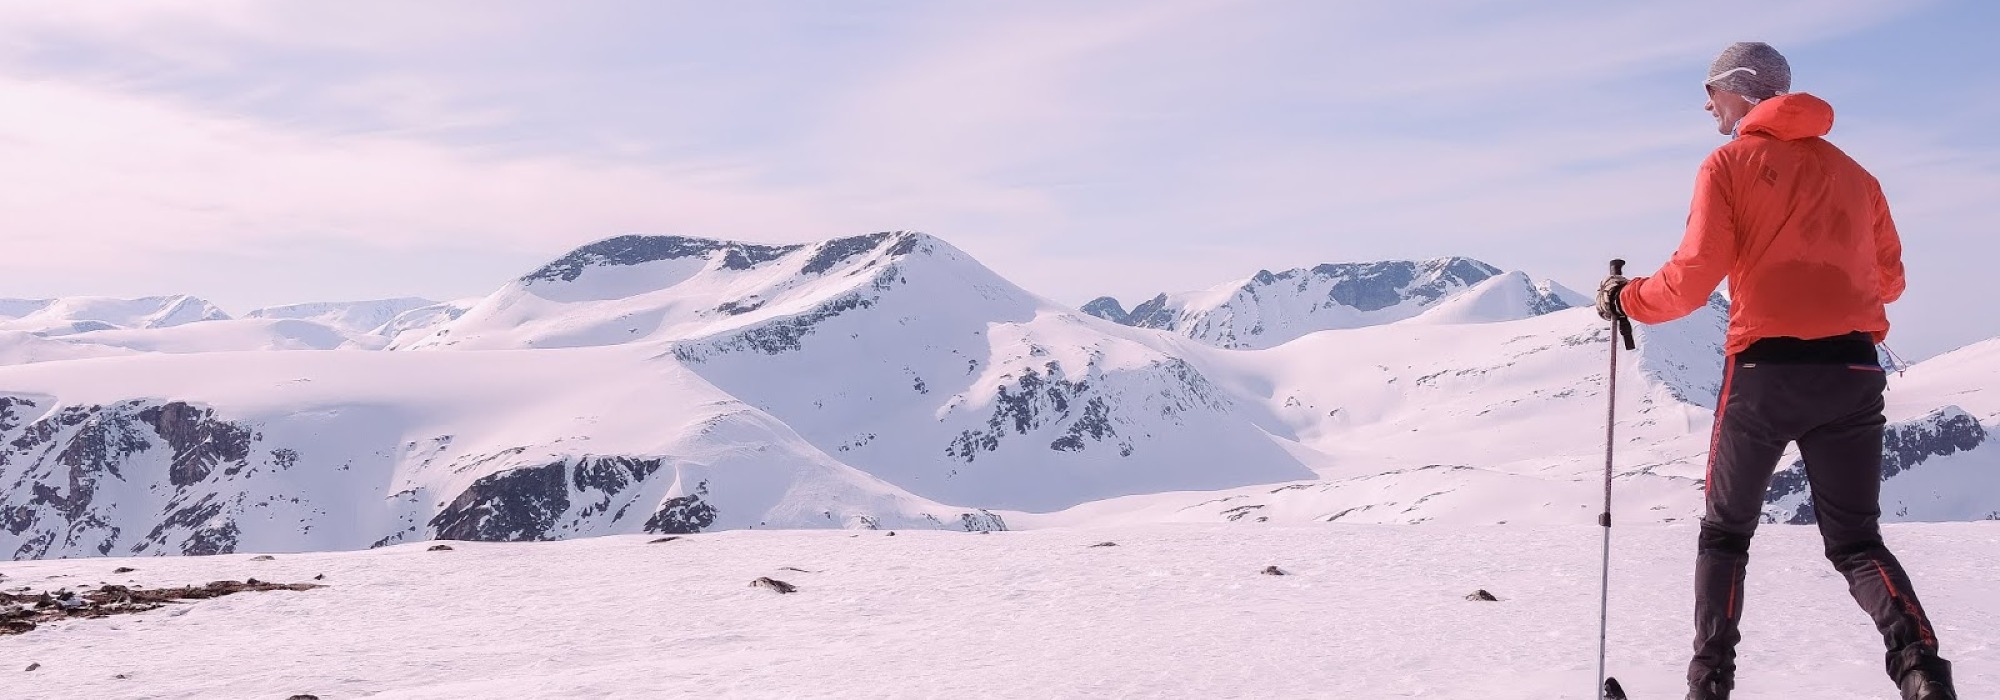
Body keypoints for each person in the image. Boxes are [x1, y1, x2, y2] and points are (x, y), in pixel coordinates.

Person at [1594, 42, 1956, 700]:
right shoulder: (1857, 177)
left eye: (1711, 90)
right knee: (1854, 541)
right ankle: (1923, 671)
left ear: (1741, 90)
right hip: (1850, 369)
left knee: (1726, 534)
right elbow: (1892, 282)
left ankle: (1708, 688)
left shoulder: (1727, 165)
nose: (1706, 104)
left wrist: (1625, 298)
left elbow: (1691, 281)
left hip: (1765, 372)